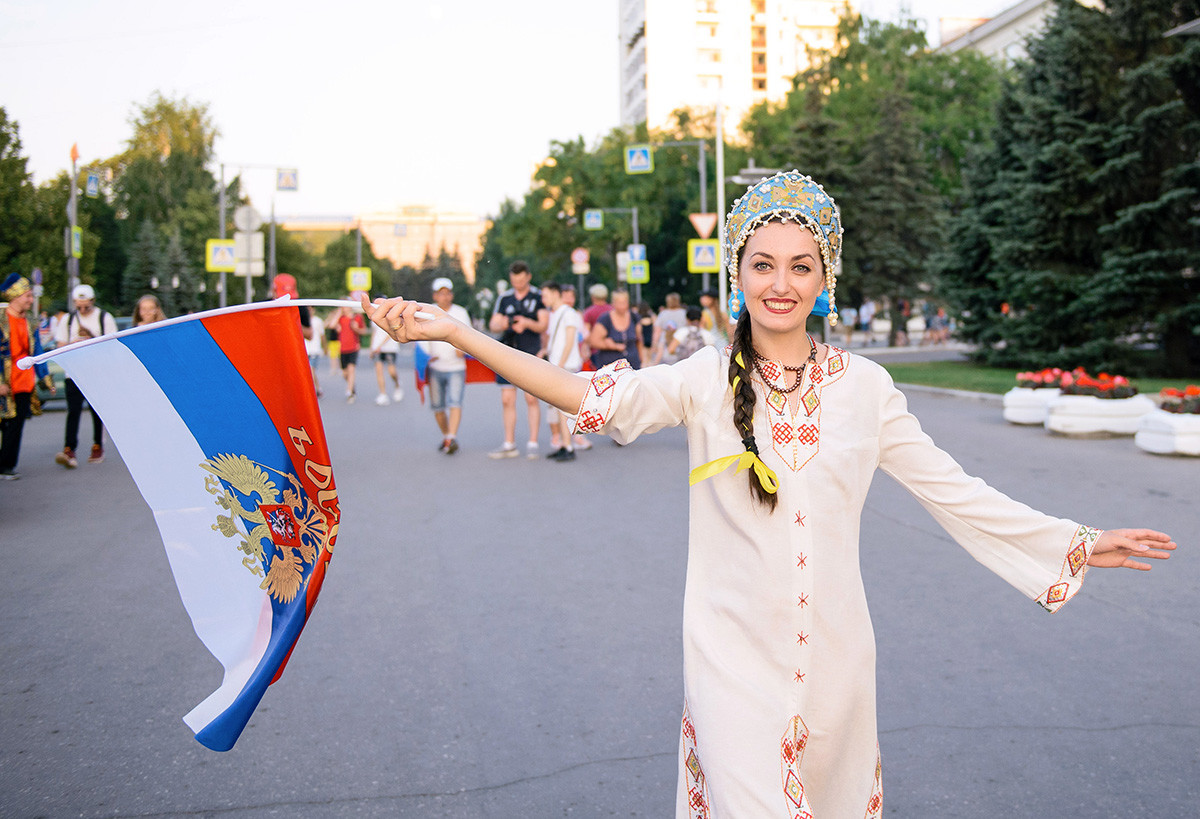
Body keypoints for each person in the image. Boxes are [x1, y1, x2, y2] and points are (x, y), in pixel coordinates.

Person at [360, 169, 1175, 818]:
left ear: (825, 277)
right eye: (762, 263)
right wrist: (460, 332)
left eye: (800, 265)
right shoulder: (702, 379)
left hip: (838, 670)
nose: (780, 283)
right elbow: (584, 396)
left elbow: (954, 490)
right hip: (729, 667)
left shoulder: (867, 389)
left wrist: (1074, 540)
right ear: (737, 273)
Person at [487, 261, 547, 459]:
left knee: (531, 397)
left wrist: (527, 323)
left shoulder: (538, 296)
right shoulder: (505, 297)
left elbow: (543, 324)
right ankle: (509, 442)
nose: (518, 285)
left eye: (521, 281)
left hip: (531, 352)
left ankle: (532, 442)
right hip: (507, 351)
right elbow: (493, 323)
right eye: (514, 281)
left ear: (528, 277)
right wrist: (502, 323)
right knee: (507, 399)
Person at [53, 284, 118, 467]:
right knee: (73, 411)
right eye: (78, 305)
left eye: (86, 305)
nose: (82, 309)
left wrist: (90, 338)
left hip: (96, 373)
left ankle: (97, 445)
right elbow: (60, 344)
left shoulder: (103, 317)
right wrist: (72, 344)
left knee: (96, 411)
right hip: (73, 373)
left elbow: (112, 345)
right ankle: (69, 449)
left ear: (92, 301)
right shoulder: (68, 319)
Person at [1, 274, 55, 479]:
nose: (31, 300)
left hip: (23, 383)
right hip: (4, 382)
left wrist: (45, 379)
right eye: (27, 296)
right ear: (15, 296)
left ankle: (6, 465)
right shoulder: (0, 318)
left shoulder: (30, 321)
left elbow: (37, 353)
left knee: (16, 426)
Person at [419, 278, 472, 454]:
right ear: (435, 295)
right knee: (438, 407)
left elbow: (469, 334)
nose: (445, 296)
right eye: (441, 293)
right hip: (436, 367)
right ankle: (446, 435)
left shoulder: (460, 312)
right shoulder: (428, 312)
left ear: (452, 294)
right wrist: (427, 355)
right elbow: (421, 335)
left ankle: (452, 437)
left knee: (455, 402)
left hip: (456, 366)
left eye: (447, 293)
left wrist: (462, 348)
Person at [539, 281, 584, 462]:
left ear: (555, 293)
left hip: (565, 366)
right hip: (559, 365)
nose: (544, 299)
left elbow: (570, 341)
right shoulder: (556, 314)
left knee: (564, 409)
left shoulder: (568, 313)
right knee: (560, 409)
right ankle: (566, 445)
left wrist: (560, 365)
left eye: (546, 295)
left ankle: (569, 447)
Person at [588, 288, 640, 370]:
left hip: (632, 365)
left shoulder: (634, 317)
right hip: (610, 366)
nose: (622, 306)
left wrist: (643, 359)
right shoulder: (605, 319)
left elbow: (639, 340)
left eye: (624, 302)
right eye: (619, 303)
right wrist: (612, 346)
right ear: (613, 303)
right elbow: (593, 341)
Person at [333, 299, 368, 403]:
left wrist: (356, 329)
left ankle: (348, 391)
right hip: (343, 348)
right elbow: (331, 325)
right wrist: (338, 313)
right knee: (345, 373)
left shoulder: (357, 317)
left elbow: (364, 331)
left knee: (351, 369)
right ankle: (352, 387)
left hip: (353, 347)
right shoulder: (341, 318)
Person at [368, 321, 404, 406]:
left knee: (392, 371)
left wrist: (380, 345)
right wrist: (372, 347)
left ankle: (397, 384)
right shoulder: (375, 314)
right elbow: (374, 331)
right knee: (379, 371)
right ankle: (383, 394)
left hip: (390, 347)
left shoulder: (391, 315)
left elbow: (392, 332)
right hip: (377, 348)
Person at [652, 292, 688, 365]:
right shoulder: (684, 313)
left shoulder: (663, 314)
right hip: (680, 342)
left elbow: (657, 331)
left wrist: (654, 344)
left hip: (664, 344)